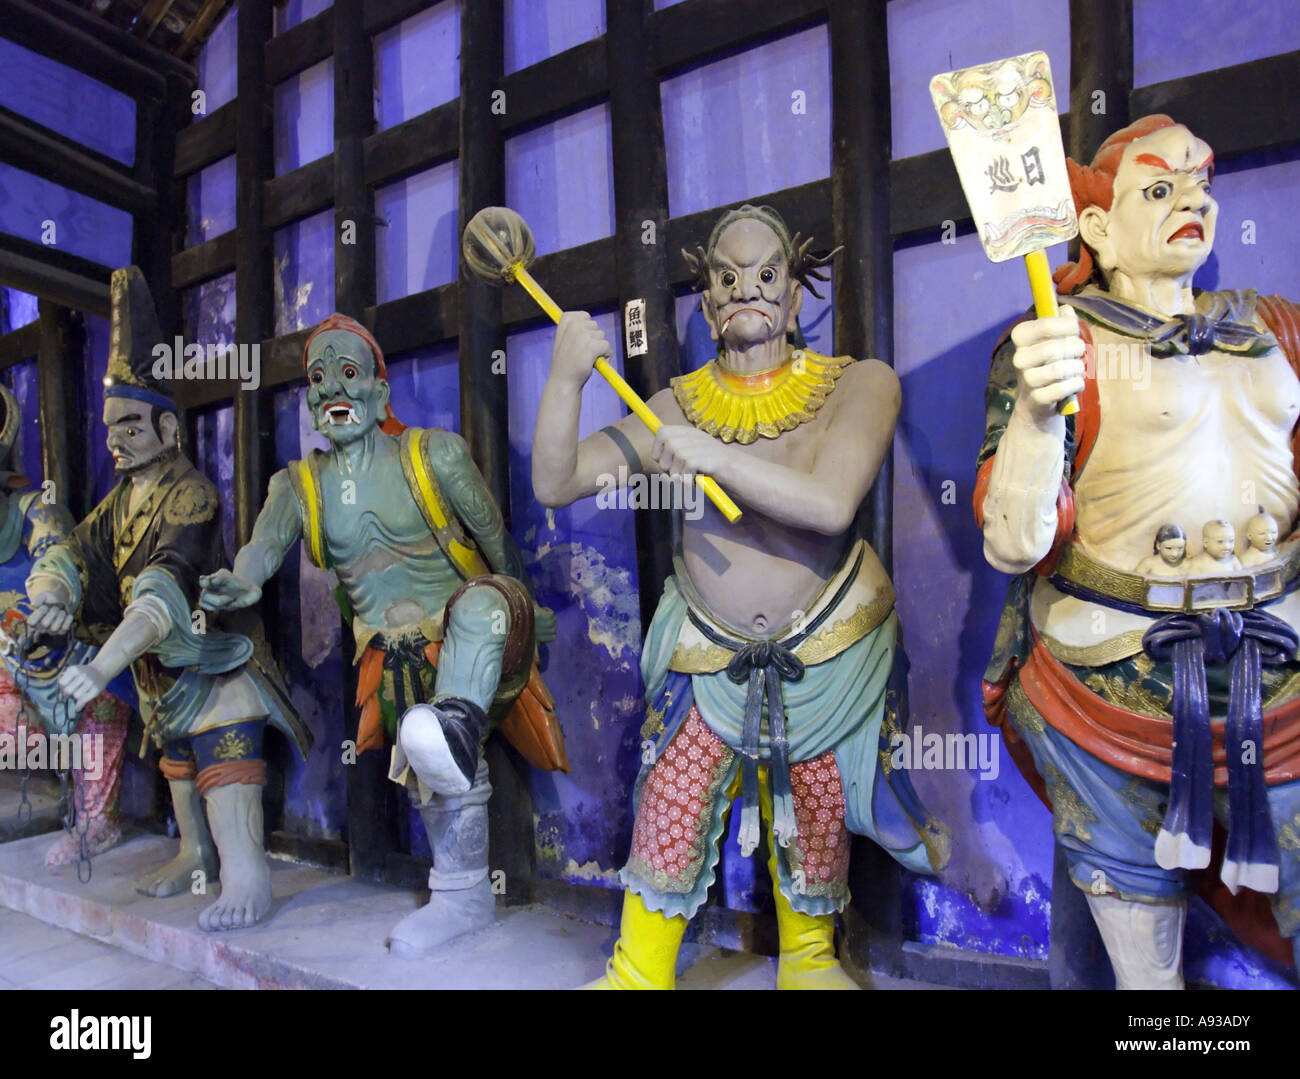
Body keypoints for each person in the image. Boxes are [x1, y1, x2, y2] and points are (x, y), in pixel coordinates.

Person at [534, 205, 948, 989]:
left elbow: (830, 504)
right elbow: (557, 480)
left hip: (828, 646)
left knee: (817, 804)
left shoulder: (859, 383)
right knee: (672, 798)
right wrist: (563, 382)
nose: (746, 290)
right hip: (704, 646)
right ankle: (636, 970)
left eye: (767, 275)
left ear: (795, 298)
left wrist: (713, 459)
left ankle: (810, 957)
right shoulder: (678, 406)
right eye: (728, 276)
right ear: (708, 301)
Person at [976, 115, 1300, 987]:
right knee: (1142, 960)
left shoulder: (1276, 328)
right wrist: (1042, 412)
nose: (1190, 197)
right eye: (1158, 188)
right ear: (1097, 229)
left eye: (1199, 181)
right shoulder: (1054, 342)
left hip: (1286, 667)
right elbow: (1013, 541)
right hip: (1110, 677)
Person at [200, 312, 566, 958]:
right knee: (431, 752)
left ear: (378, 389)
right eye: (318, 378)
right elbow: (260, 550)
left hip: (476, 629)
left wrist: (526, 614)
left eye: (348, 373)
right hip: (392, 657)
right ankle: (460, 893)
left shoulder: (434, 455)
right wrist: (240, 580)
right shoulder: (298, 486)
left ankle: (451, 723)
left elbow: (496, 542)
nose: (332, 389)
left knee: (475, 625)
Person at [25, 266, 310, 931]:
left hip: (216, 663)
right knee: (177, 761)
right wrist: (51, 593)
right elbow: (72, 553)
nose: (115, 439)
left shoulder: (191, 494)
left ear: (167, 427)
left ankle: (245, 873)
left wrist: (98, 668)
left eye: (130, 424)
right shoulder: (119, 503)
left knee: (220, 753)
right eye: (110, 425)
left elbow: (159, 595)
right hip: (161, 677)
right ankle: (193, 853)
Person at [0, 383, 133, 867]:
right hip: (11, 673)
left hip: (74, 659)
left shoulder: (37, 511)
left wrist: (50, 601)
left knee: (97, 694)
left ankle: (97, 821)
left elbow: (56, 554)